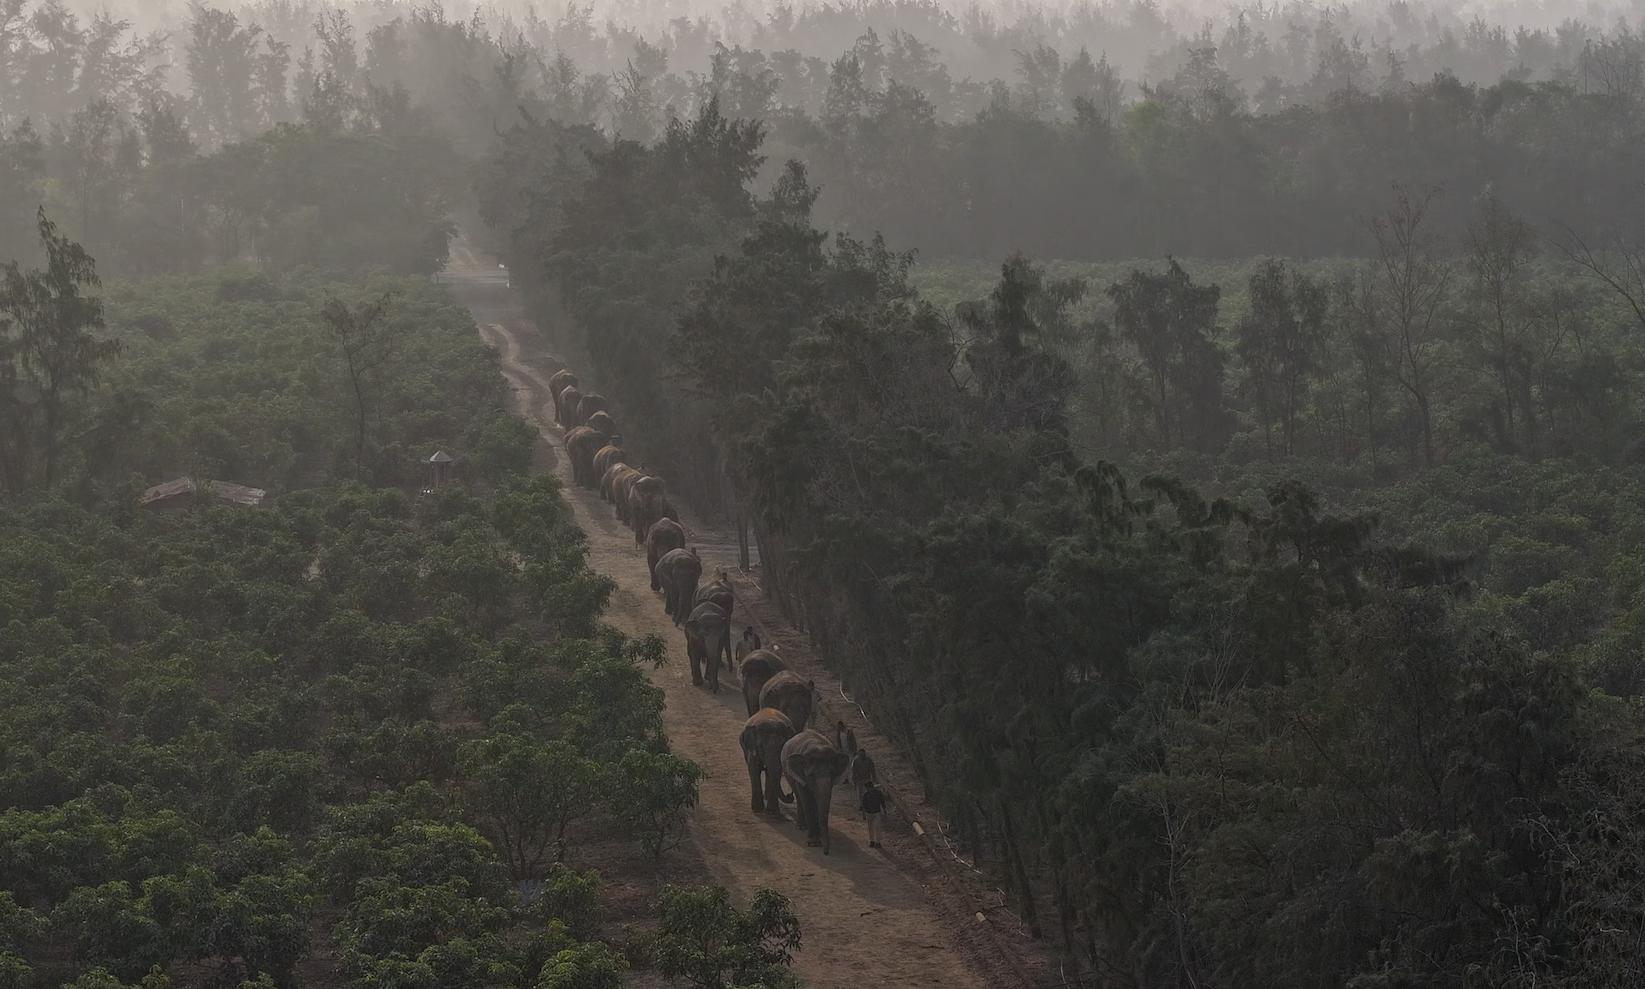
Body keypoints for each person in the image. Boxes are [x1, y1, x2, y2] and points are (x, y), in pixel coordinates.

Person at [860, 778, 886, 849]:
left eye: (869, 788)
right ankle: (872, 841)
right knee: (870, 828)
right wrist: (864, 814)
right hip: (869, 813)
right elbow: (864, 805)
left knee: (877, 827)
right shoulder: (866, 795)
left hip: (876, 812)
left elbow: (882, 802)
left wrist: (884, 810)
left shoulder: (878, 793)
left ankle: (878, 842)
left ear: (871, 787)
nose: (868, 789)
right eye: (867, 788)